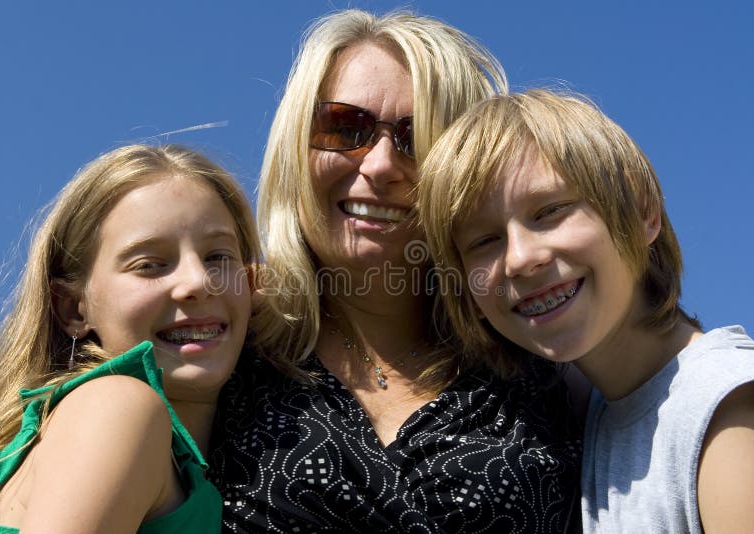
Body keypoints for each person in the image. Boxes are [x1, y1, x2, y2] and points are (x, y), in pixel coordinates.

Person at [209, 10, 582, 533]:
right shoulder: (219, 345)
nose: (381, 164)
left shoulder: (552, 357)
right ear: (294, 146)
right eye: (345, 127)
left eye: (418, 138)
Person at [418, 89, 754, 533]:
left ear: (641, 211)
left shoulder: (726, 408)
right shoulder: (591, 414)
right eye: (484, 241)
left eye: (550, 211)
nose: (520, 258)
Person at [0, 144, 262, 533]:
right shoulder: (118, 407)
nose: (199, 282)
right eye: (149, 265)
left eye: (218, 257)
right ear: (73, 310)